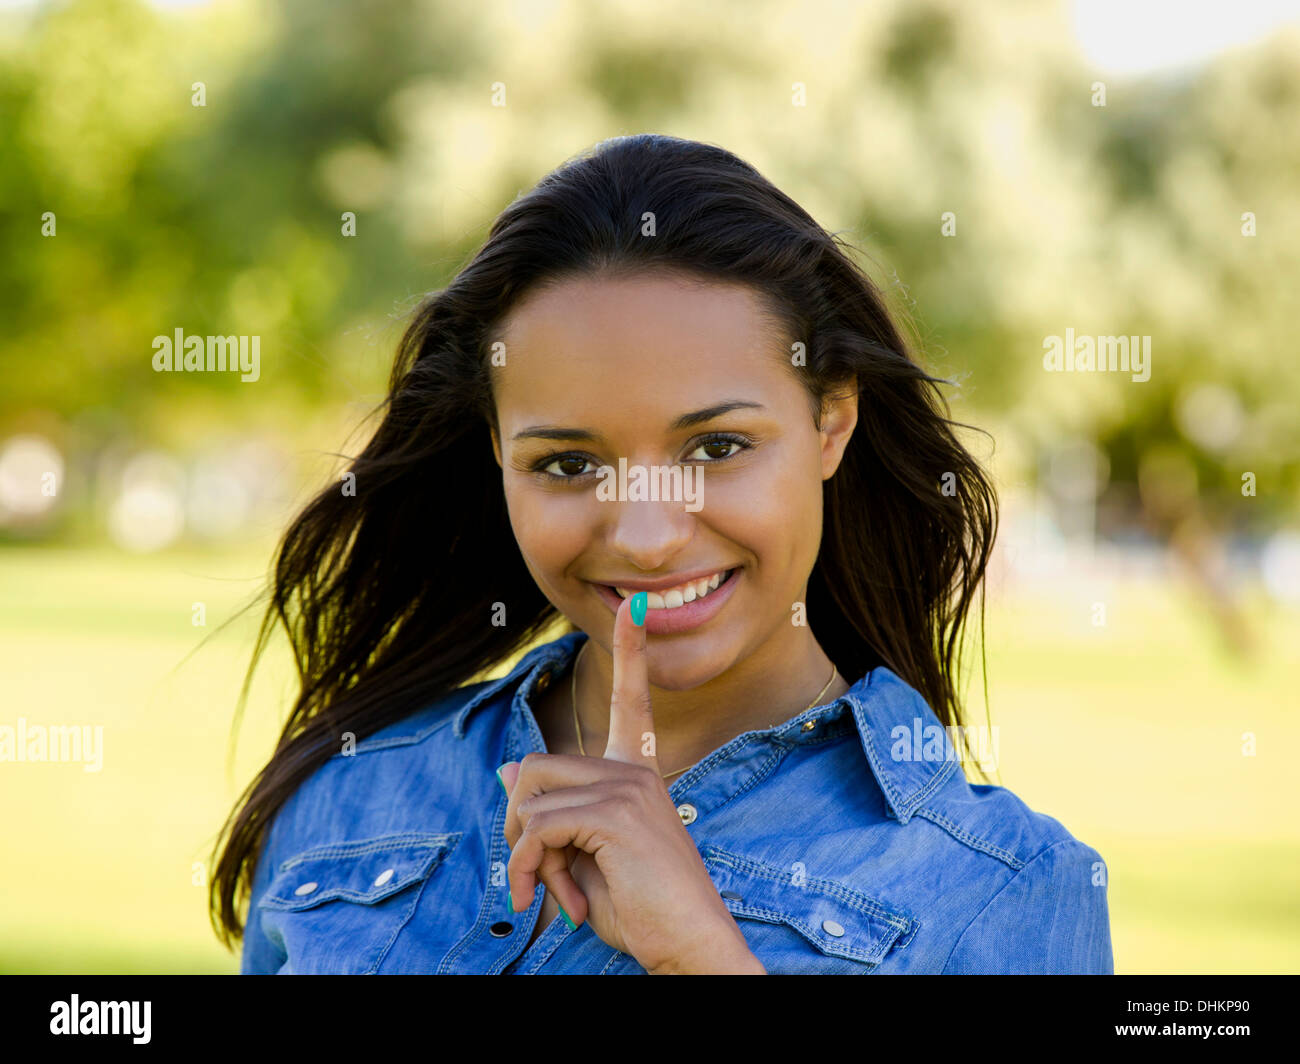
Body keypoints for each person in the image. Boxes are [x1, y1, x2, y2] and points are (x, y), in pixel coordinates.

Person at [211, 133, 1113, 974]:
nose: (647, 538)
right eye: (567, 463)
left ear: (830, 421)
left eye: (717, 449)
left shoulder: (1009, 891)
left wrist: (701, 957)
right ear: (496, 449)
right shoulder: (347, 800)